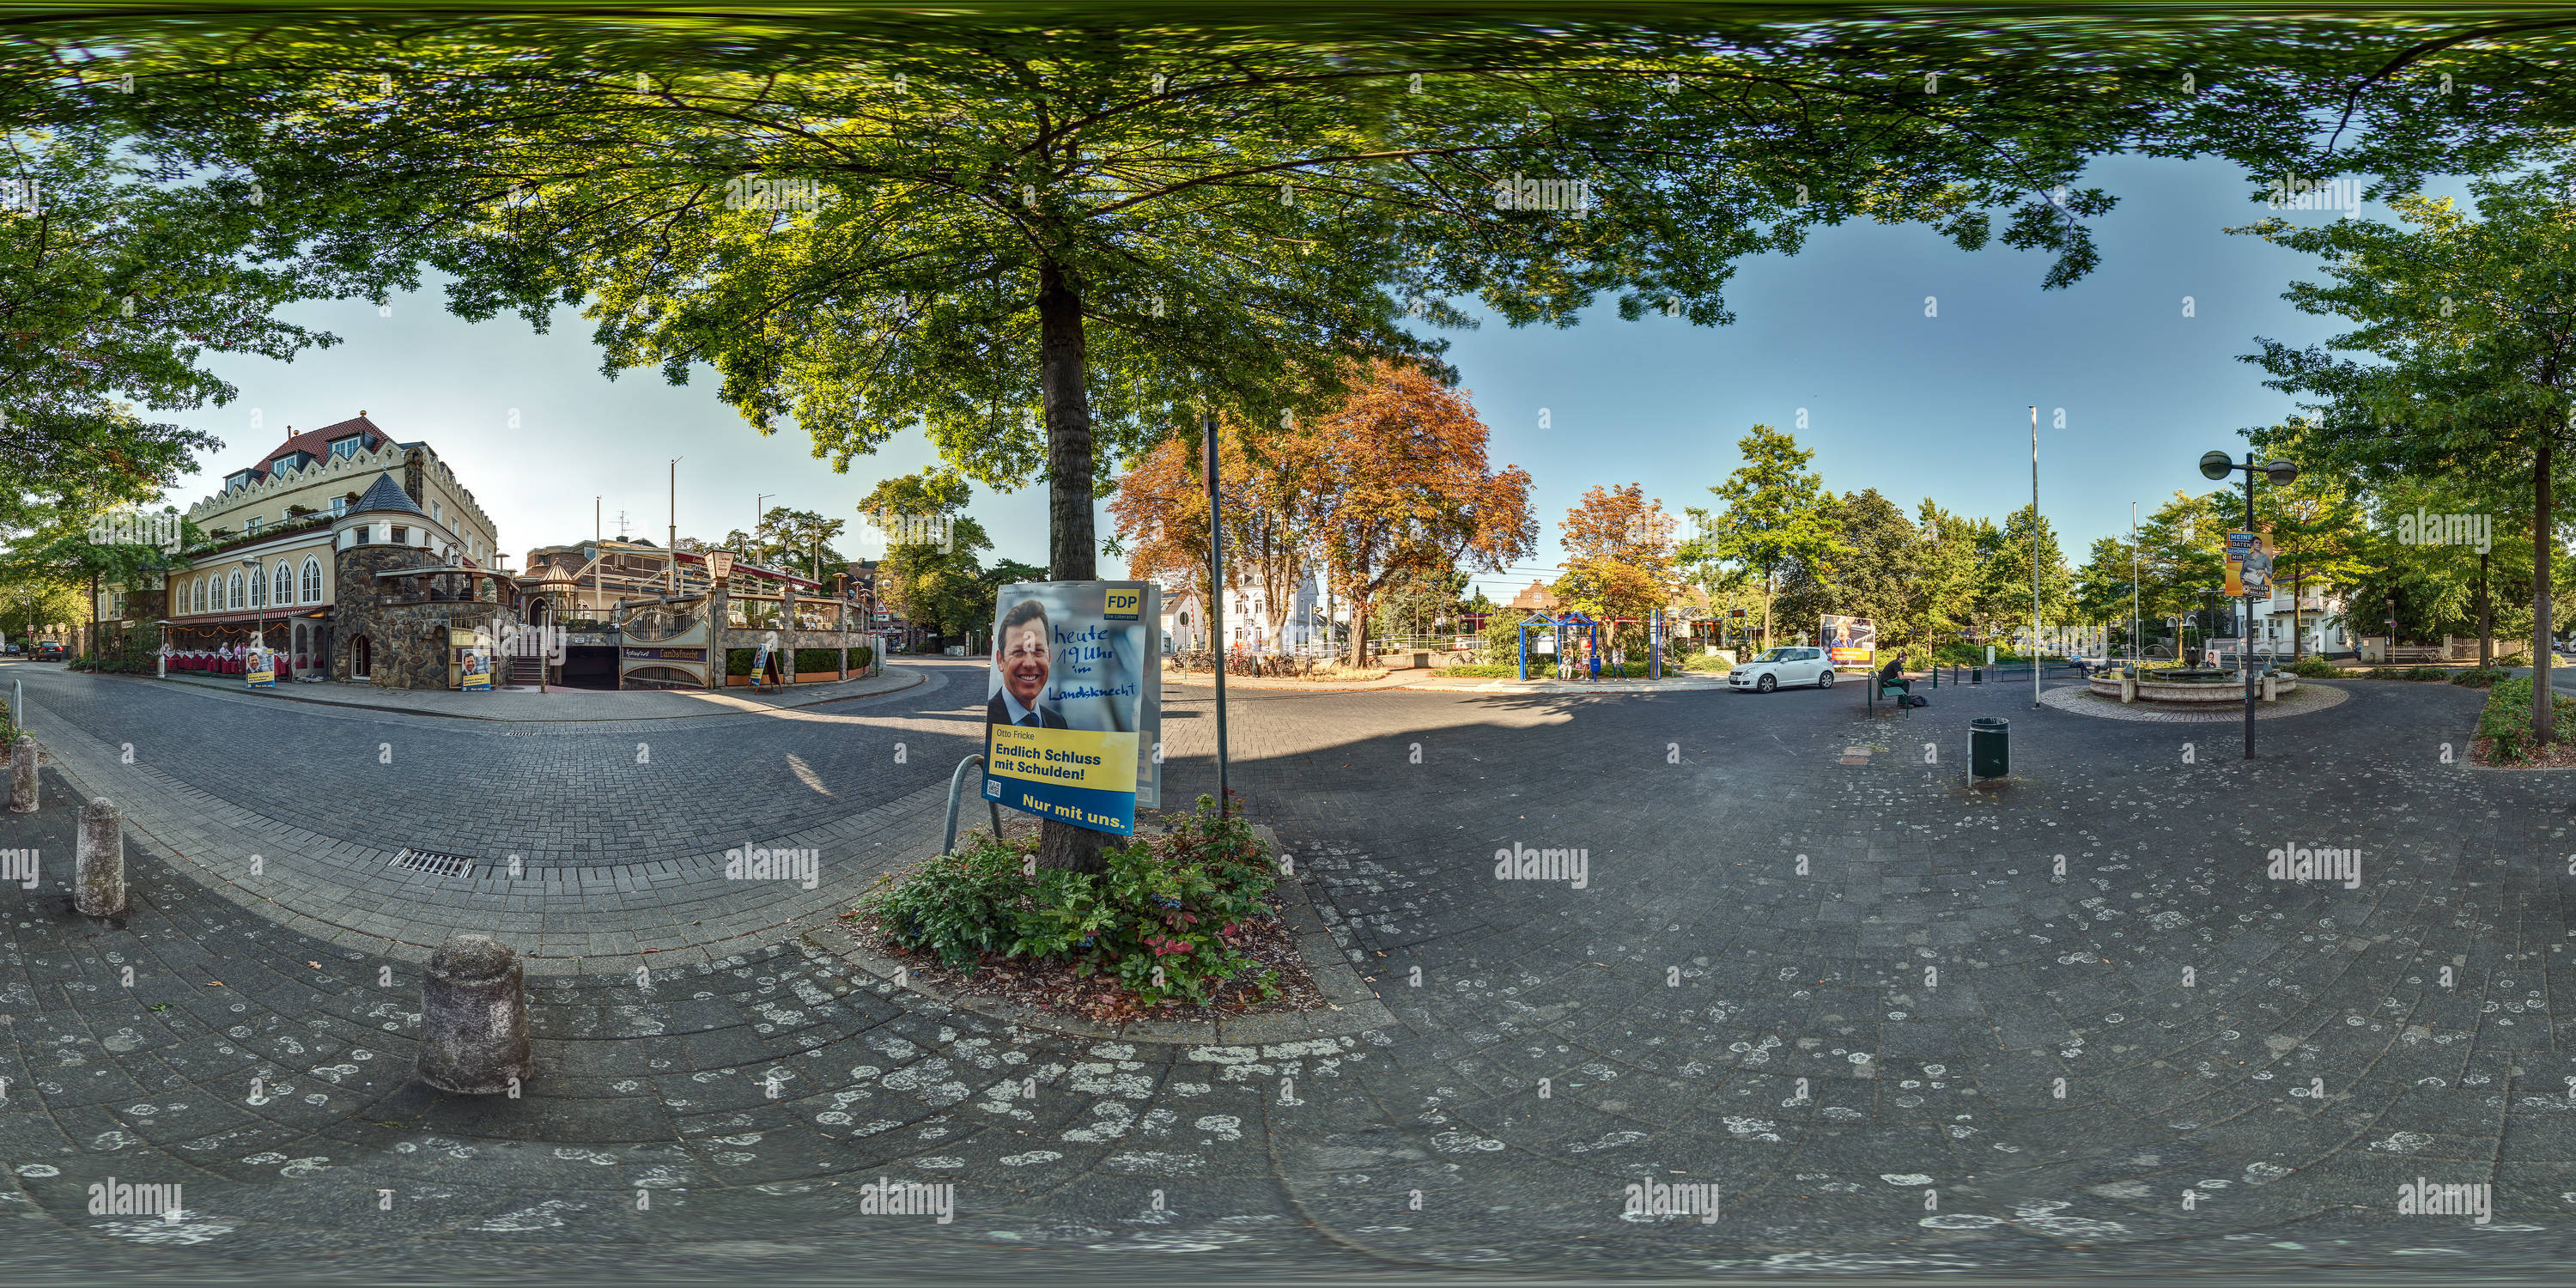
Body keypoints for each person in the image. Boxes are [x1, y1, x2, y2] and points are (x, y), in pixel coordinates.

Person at [987, 597, 1070, 728]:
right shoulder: (987, 718)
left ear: (1048, 657)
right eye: (1018, 652)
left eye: (1038, 650)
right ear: (1000, 660)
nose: (1030, 664)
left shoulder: (1058, 723)